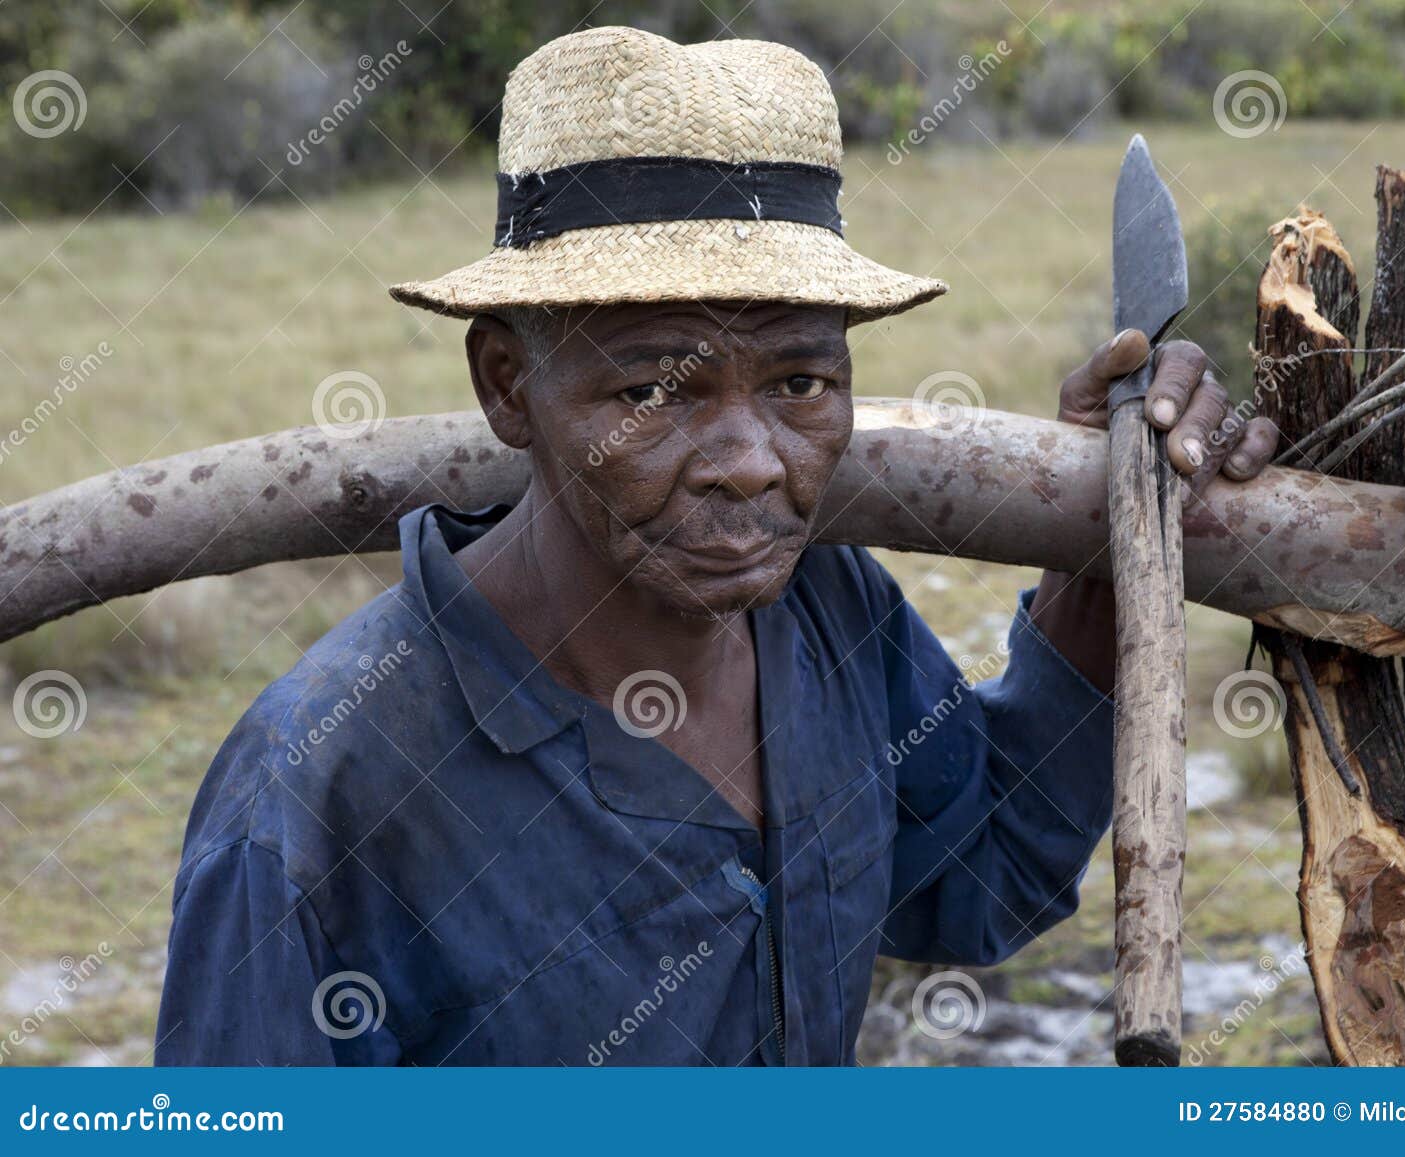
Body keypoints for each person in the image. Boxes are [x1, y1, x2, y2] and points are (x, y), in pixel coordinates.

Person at [155, 26, 1276, 1066]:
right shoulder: (317, 794)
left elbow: (984, 869)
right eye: (652, 390)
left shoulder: (822, 605)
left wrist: (1105, 529)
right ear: (508, 385)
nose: (748, 462)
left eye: (800, 383)